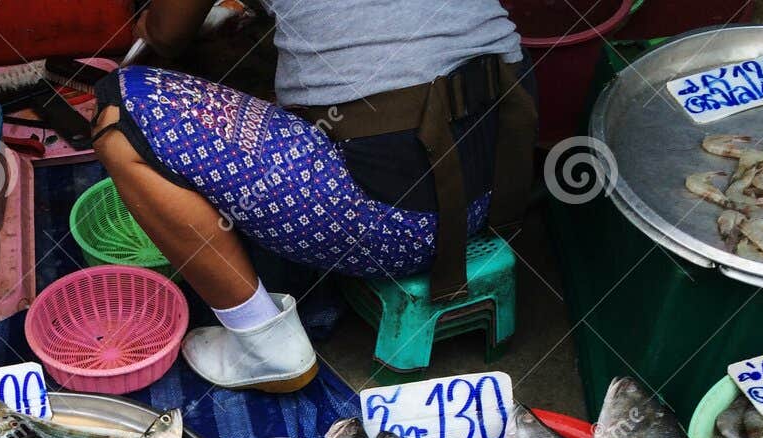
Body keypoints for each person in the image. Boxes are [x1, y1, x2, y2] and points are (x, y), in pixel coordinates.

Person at [92, 0, 536, 392]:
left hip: (400, 224)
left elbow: (167, 34)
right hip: (500, 174)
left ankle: (263, 345)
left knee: (121, 112)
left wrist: (150, 23)